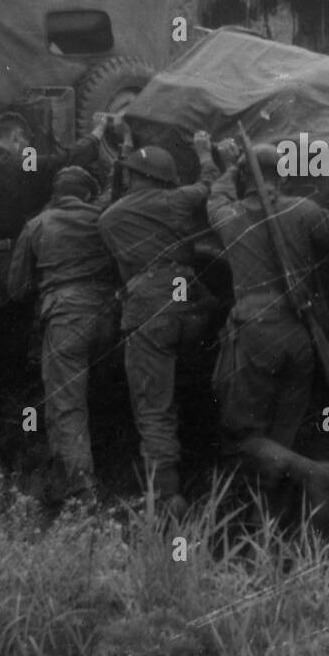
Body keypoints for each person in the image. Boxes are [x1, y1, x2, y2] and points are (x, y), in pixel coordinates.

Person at [0, 111, 104, 472]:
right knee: (12, 362)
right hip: (14, 265)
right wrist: (98, 134)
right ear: (15, 139)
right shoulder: (20, 163)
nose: (28, 149)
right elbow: (65, 160)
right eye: (25, 143)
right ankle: (17, 444)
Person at [206, 140, 329, 523]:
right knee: (281, 436)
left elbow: (216, 193)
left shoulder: (228, 215)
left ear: (245, 179)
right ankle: (268, 526)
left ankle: (314, 473)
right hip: (301, 335)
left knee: (242, 438)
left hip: (255, 333)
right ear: (284, 175)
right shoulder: (303, 210)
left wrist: (226, 163)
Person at [99, 136, 219, 519]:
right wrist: (204, 150)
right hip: (190, 301)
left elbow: (109, 209)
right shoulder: (181, 199)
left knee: (153, 405)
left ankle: (169, 497)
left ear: (134, 176)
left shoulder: (111, 218)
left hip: (150, 308)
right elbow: (209, 182)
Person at [9, 167, 118, 505]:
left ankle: (82, 492)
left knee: (66, 404)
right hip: (111, 319)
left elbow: (15, 289)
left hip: (66, 319)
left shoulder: (38, 225)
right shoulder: (107, 219)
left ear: (57, 194)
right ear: (87, 194)